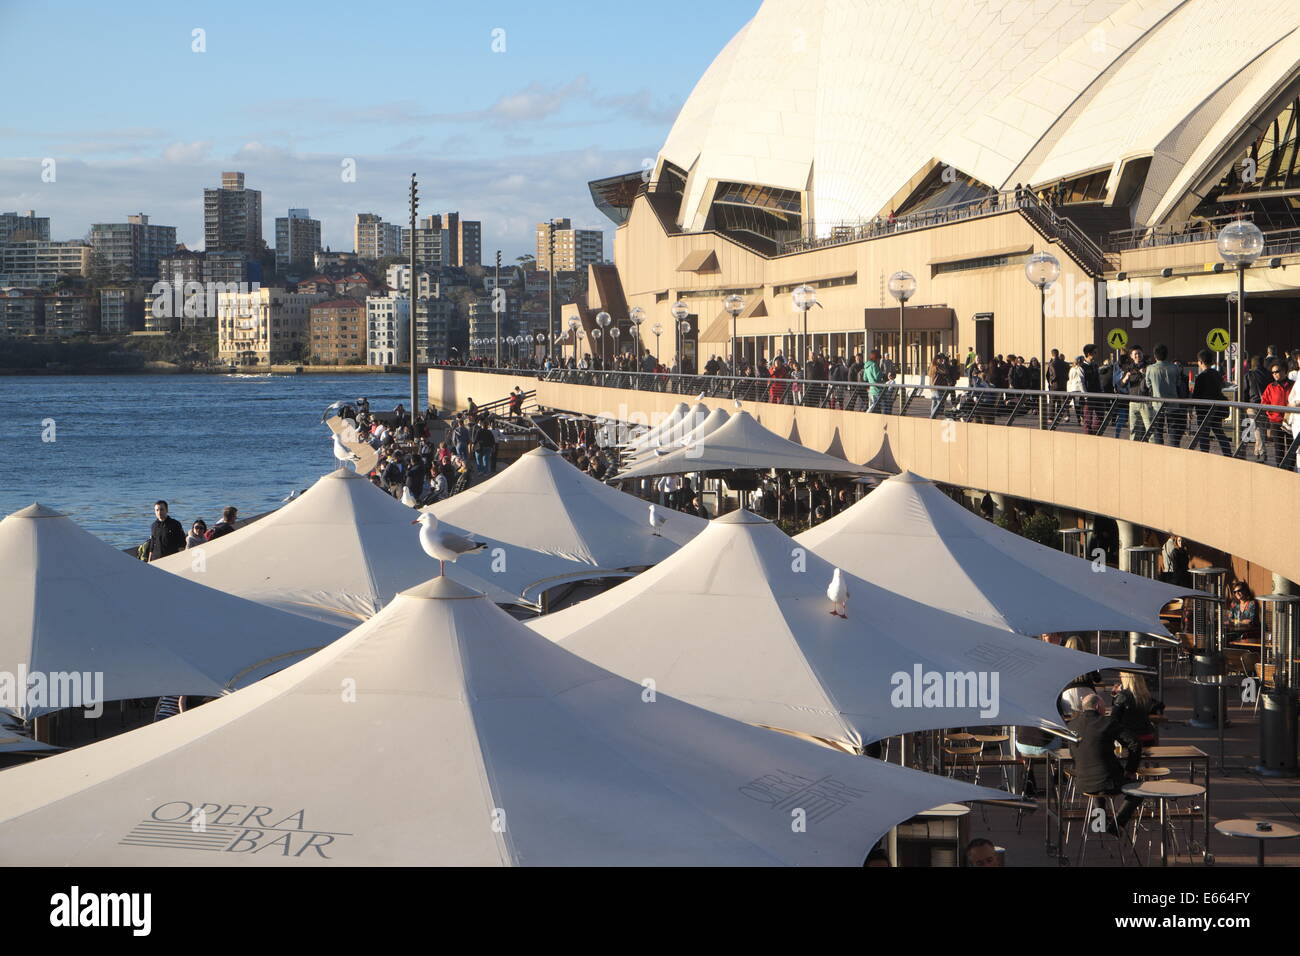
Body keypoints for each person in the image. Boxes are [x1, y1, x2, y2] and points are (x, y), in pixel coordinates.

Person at [1068, 694, 1143, 831]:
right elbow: (1135, 743)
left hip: (1083, 781)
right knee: (1140, 790)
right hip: (1108, 781)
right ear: (1097, 706)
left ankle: (1100, 823)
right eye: (1104, 706)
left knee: (1099, 777)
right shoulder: (1107, 723)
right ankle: (1116, 825)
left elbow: (1074, 754)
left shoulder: (1072, 725)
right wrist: (1130, 770)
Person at [1191, 348, 1231, 456]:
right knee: (1219, 433)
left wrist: (1191, 406)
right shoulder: (1217, 374)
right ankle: (1228, 455)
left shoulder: (1201, 377)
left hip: (1203, 411)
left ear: (1201, 362)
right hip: (1216, 409)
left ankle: (1205, 456)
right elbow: (1221, 387)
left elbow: (1196, 395)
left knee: (1204, 436)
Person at [1109, 672, 1163, 746]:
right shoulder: (1145, 696)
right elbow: (1157, 707)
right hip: (1147, 737)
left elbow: (1114, 717)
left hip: (1130, 739)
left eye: (1121, 676)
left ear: (1126, 679)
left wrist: (1115, 696)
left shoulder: (1123, 695)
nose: (1120, 678)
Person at [1144, 344, 1181, 445]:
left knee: (1157, 432)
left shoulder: (1150, 368)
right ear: (1166, 355)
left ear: (1155, 355)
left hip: (1157, 405)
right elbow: (1178, 383)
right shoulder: (1175, 367)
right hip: (1173, 404)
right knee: (1173, 433)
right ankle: (1174, 452)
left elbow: (1148, 385)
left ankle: (1160, 455)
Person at [1262, 362, 1293, 464]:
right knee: (1279, 448)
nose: (1275, 374)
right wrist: (1271, 414)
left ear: (1284, 371)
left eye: (1277, 371)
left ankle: (1290, 469)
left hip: (1290, 421)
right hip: (1276, 421)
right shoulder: (1271, 387)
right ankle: (1280, 468)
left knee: (1291, 447)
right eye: (1273, 372)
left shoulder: (1293, 385)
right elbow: (1264, 402)